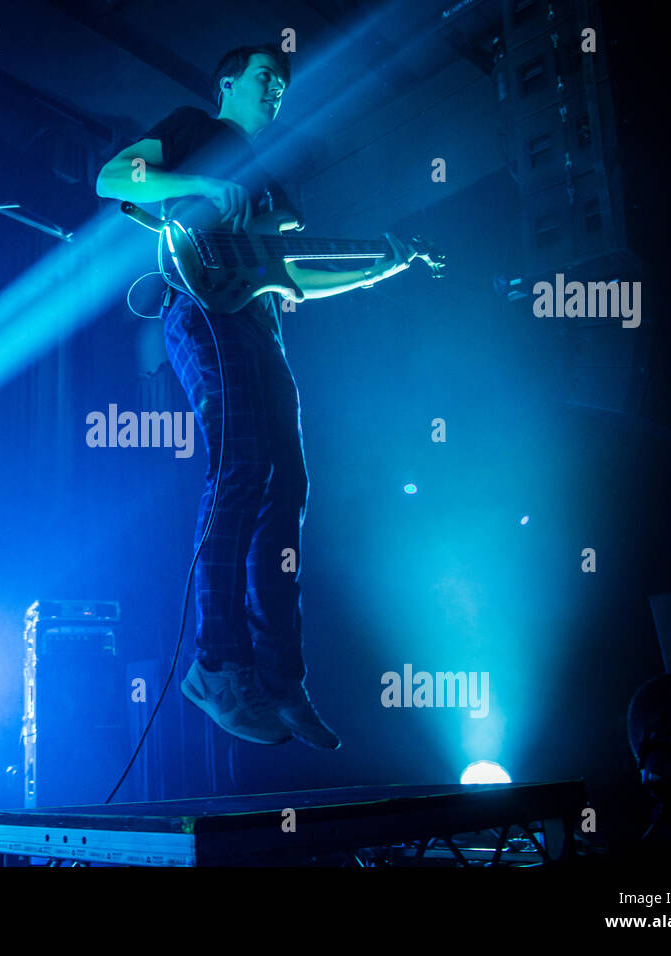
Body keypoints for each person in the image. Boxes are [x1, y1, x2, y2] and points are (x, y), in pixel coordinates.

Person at [96, 44, 419, 749]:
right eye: (265, 77)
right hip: (202, 309)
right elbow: (113, 177)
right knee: (242, 468)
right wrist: (206, 189)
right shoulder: (192, 126)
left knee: (290, 486)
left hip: (261, 329)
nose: (277, 89)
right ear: (227, 82)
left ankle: (279, 676)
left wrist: (378, 270)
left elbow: (292, 273)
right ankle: (216, 664)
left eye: (283, 83)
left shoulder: (274, 181)